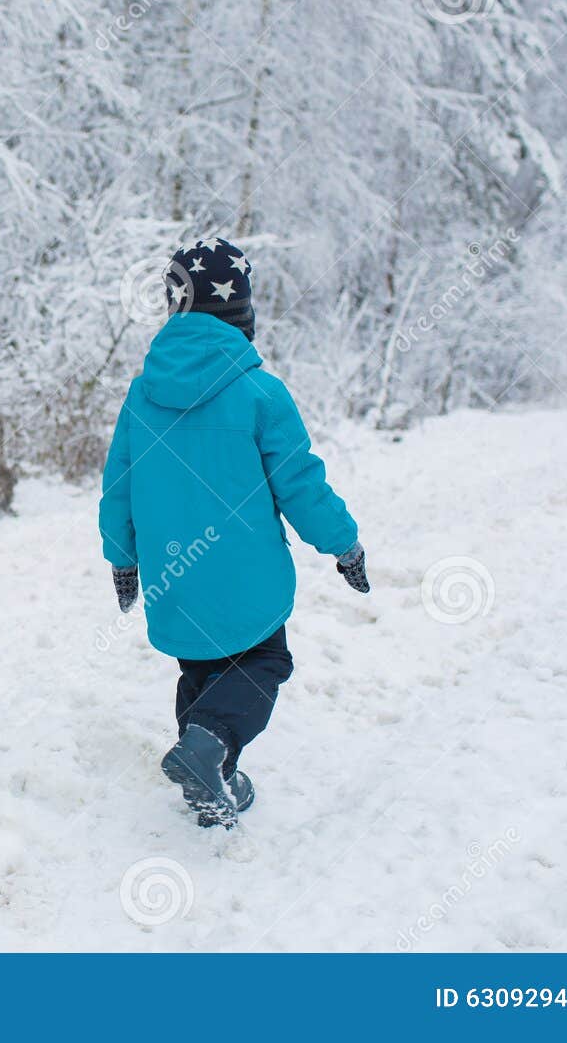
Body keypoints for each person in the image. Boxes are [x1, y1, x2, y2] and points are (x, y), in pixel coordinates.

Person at [99, 238, 369, 828]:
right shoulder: (260, 393)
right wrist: (343, 542)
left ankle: (210, 774)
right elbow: (300, 485)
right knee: (260, 664)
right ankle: (208, 749)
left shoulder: (142, 397)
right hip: (247, 582)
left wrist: (123, 561)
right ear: (241, 309)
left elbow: (117, 487)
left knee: (198, 672)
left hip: (174, 577)